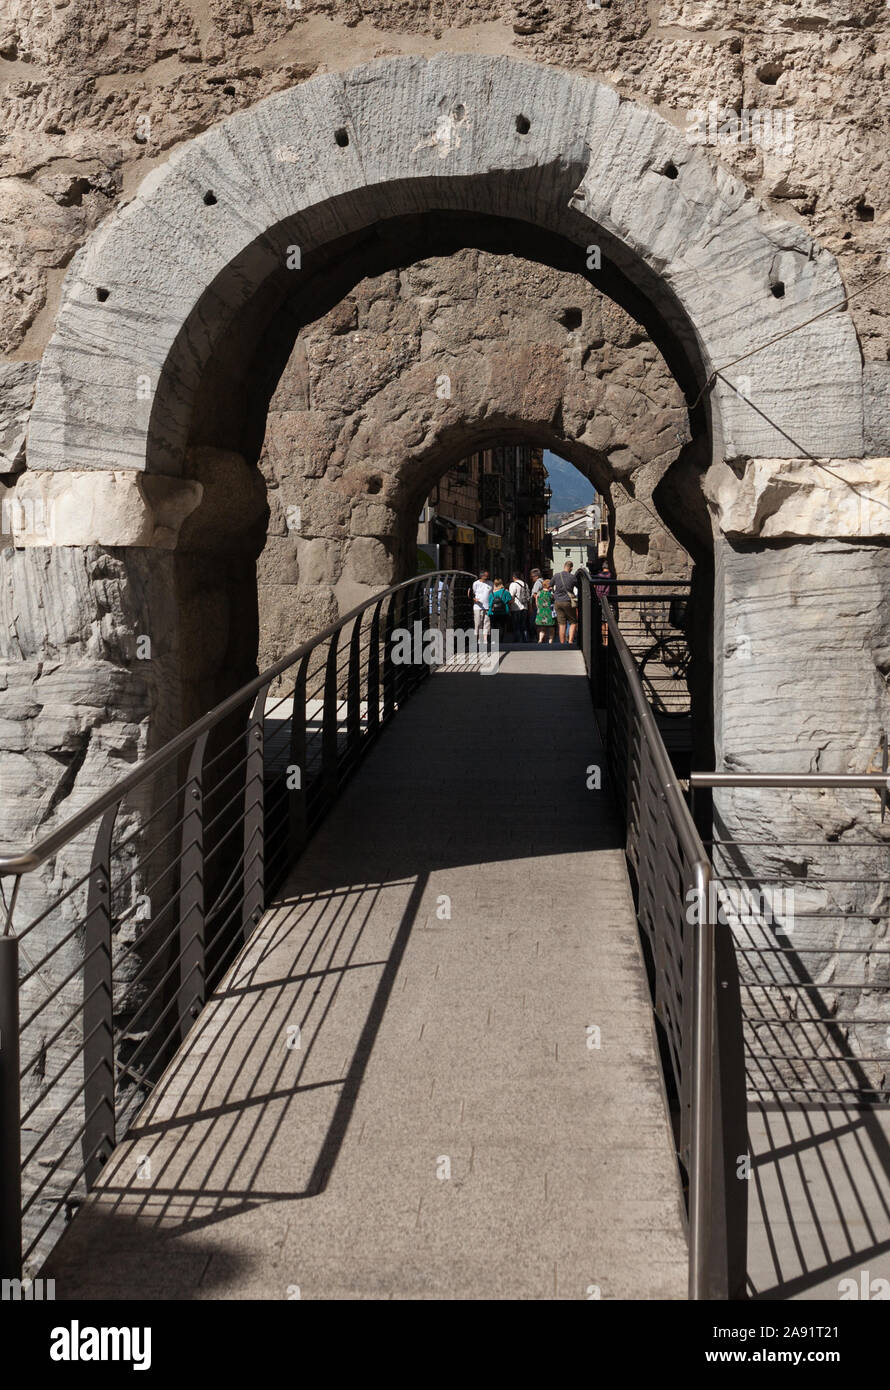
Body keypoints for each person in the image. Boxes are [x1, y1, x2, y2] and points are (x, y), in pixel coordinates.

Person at [552, 560, 579, 646]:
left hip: (558, 602)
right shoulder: (572, 577)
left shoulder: (556, 575)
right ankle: (570, 641)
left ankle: (562, 643)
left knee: (561, 624)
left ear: (564, 566)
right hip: (568, 601)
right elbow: (579, 586)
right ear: (571, 568)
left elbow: (550, 584)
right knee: (573, 622)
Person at [469, 569, 492, 650]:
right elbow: (473, 593)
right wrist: (474, 599)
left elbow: (492, 594)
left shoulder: (490, 583)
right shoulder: (476, 583)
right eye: (486, 576)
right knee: (478, 623)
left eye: (487, 576)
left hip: (487, 606)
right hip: (477, 606)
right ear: (481, 576)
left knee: (486, 623)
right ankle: (478, 639)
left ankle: (485, 639)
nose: (487, 577)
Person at [508, 571, 531, 643]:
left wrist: (509, 605)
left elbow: (511, 596)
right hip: (525, 607)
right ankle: (525, 638)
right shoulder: (525, 584)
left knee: (516, 624)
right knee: (523, 624)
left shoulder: (513, 584)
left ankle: (517, 639)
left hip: (516, 607)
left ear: (513, 577)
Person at [487, 577, 511, 642]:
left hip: (492, 612)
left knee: (493, 626)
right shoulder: (505, 592)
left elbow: (489, 603)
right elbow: (510, 600)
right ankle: (501, 639)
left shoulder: (492, 593)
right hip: (503, 612)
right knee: (502, 626)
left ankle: (495, 639)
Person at [535, 578, 557, 644]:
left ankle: (540, 639)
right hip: (549, 613)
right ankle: (550, 641)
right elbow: (554, 603)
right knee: (551, 629)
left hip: (541, 612)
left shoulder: (539, 594)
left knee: (542, 629)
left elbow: (537, 603)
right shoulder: (551, 595)